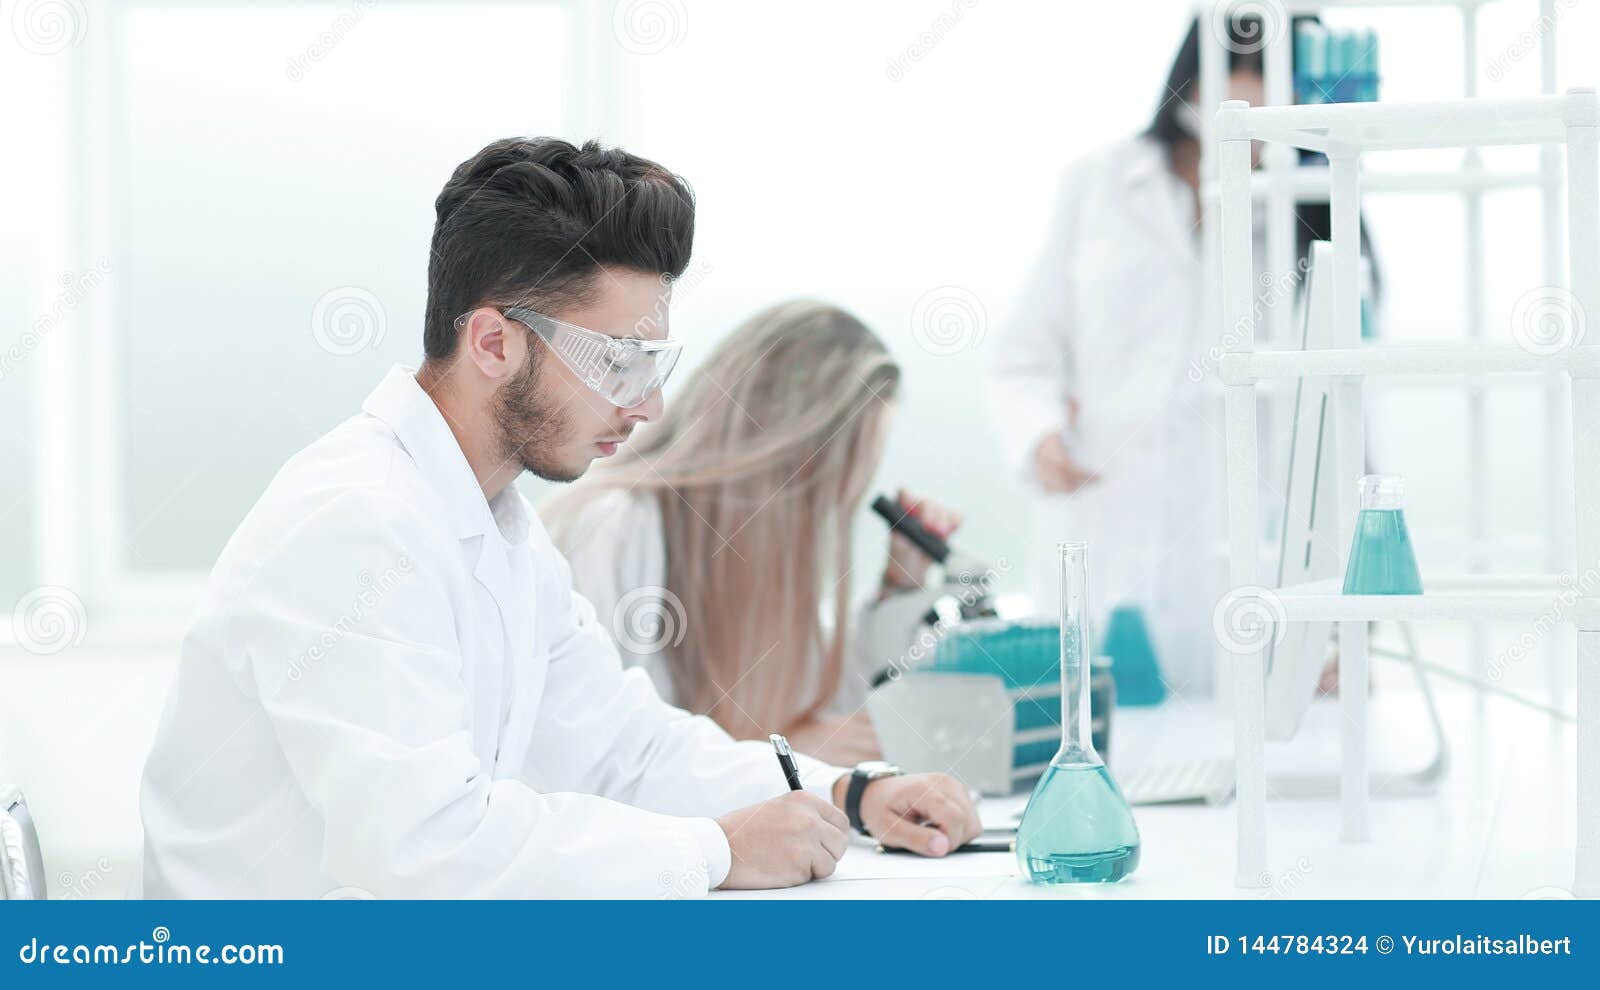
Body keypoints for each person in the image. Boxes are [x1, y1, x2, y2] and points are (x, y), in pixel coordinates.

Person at [137, 137, 981, 898]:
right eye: (618, 361)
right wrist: (715, 851)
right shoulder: (356, 521)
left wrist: (853, 791)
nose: (649, 405)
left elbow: (624, 747)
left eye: (654, 365)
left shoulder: (498, 524)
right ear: (495, 344)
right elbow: (423, 846)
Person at [987, 16, 1375, 696]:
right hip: (1104, 513)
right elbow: (1024, 355)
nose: (1254, 128)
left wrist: (1333, 629)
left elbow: (1343, 423)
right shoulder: (1101, 184)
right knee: (1099, 724)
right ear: (1194, 82)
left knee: (1236, 748)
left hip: (1235, 549)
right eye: (1243, 101)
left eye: (1278, 112)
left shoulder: (1309, 210)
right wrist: (1038, 438)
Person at [542, 300, 962, 766]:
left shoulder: (758, 559)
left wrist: (898, 587)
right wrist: (781, 758)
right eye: (838, 472)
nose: (838, 500)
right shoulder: (616, 527)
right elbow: (608, 763)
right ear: (789, 454)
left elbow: (824, 706)